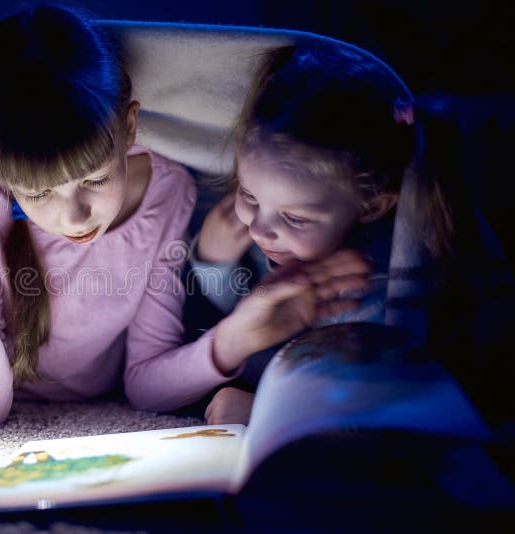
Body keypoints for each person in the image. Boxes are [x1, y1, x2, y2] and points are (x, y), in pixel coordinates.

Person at [0, 5, 371, 427]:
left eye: (95, 180)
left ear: (129, 128)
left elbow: (145, 386)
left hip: (105, 384)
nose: (75, 217)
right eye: (38, 193)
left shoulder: (168, 189)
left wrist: (233, 339)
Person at [193, 45, 459, 425]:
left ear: (370, 207)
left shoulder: (373, 293)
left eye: (295, 218)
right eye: (248, 194)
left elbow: (382, 417)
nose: (258, 228)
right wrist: (213, 261)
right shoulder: (273, 236)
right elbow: (252, 309)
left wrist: (263, 415)